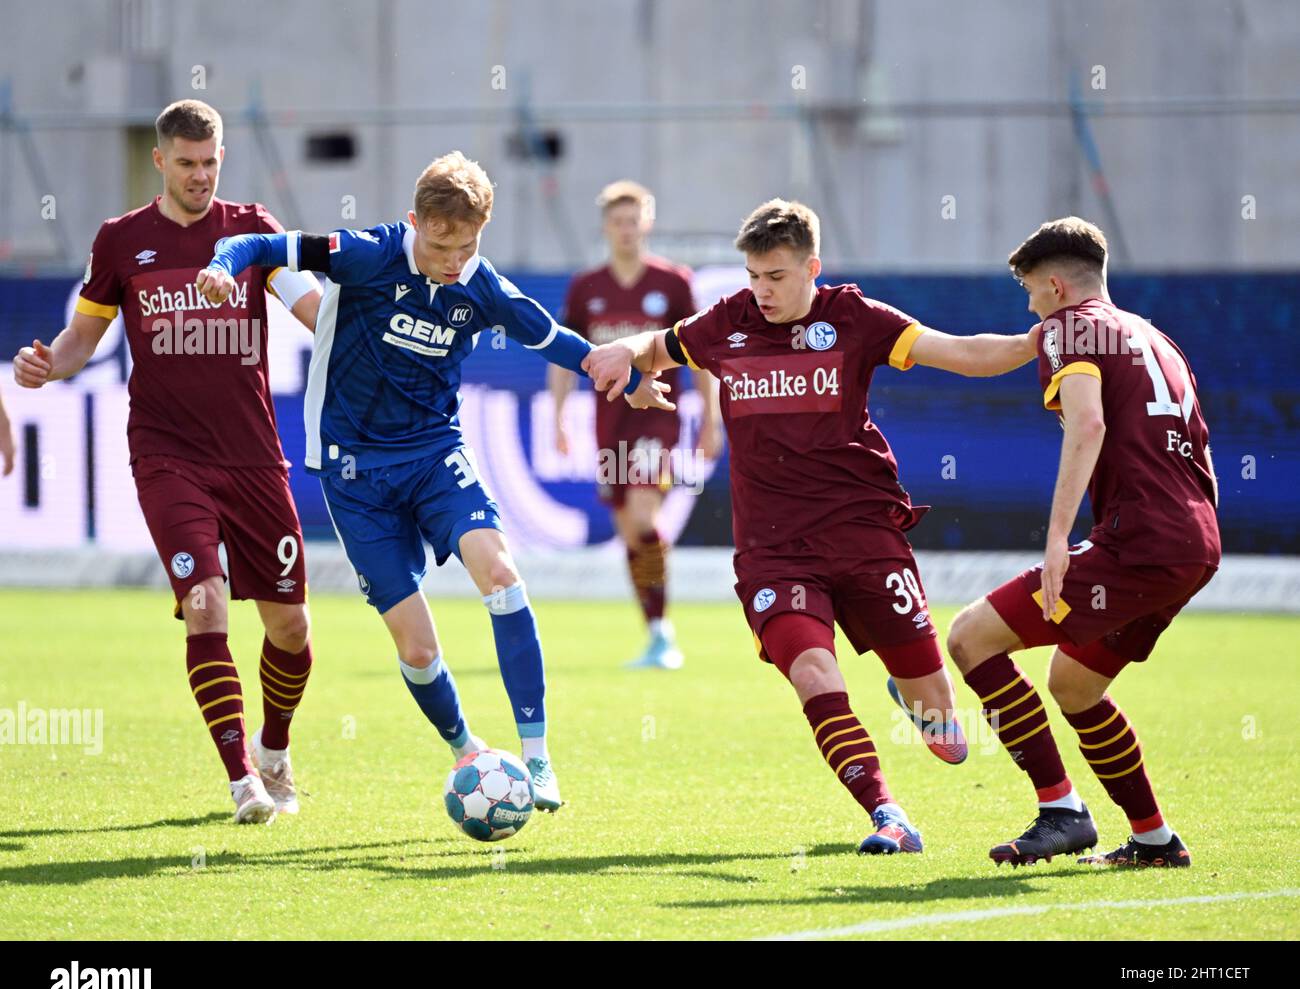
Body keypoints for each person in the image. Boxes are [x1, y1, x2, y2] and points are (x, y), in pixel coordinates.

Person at [197, 151, 671, 812]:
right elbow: (254, 244)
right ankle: (467, 749)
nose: (453, 259)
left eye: (468, 244)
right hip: (355, 472)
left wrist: (615, 369)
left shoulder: (479, 283)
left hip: (433, 455)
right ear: (414, 221)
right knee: (417, 647)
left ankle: (536, 758)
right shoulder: (363, 254)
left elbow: (551, 337)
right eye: (441, 243)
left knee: (501, 576)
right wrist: (222, 268)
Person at [585, 199, 1037, 854]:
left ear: (811, 268)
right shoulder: (726, 324)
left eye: (774, 275)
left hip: (863, 533)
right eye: (752, 275)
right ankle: (887, 814)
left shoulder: (855, 319)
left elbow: (962, 352)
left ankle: (916, 694)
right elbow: (652, 347)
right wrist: (621, 358)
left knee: (944, 724)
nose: (760, 290)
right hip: (774, 550)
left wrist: (1035, 343)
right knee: (814, 674)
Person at [12, 99, 322, 823]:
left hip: (253, 457)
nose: (200, 176)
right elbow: (80, 341)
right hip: (166, 455)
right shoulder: (123, 241)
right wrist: (46, 367)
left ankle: (275, 750)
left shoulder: (252, 231)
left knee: (292, 629)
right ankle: (242, 778)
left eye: (211, 162)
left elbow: (314, 312)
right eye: (186, 163)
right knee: (205, 603)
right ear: (160, 162)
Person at [946, 217, 1220, 868]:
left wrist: (1059, 537)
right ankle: (1154, 839)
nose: (1030, 305)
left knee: (969, 637)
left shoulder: (1070, 328)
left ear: (1056, 284)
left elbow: (1088, 422)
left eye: (1031, 292)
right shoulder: (1157, 339)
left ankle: (1060, 810)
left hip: (1143, 540)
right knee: (1073, 683)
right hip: (1196, 540)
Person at [549, 180, 721, 668]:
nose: (626, 230)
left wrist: (712, 420)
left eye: (634, 220)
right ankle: (655, 631)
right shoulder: (586, 288)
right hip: (609, 424)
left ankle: (664, 635)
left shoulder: (672, 284)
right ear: (606, 227)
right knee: (628, 530)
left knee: (644, 517)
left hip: (657, 419)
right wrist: (558, 417)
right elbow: (564, 357)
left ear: (647, 222)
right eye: (617, 222)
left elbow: (700, 355)